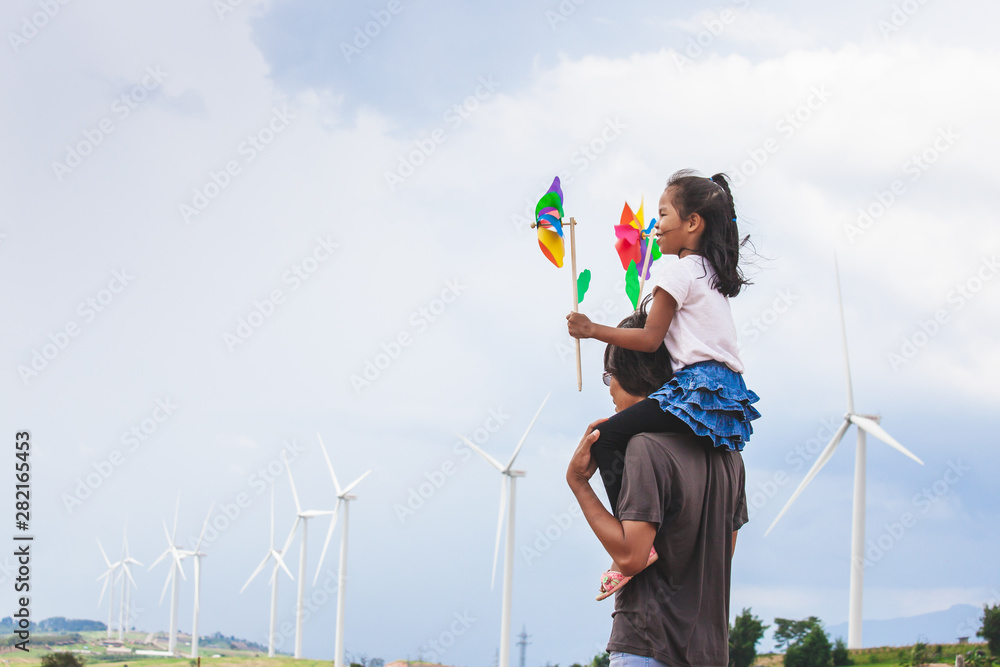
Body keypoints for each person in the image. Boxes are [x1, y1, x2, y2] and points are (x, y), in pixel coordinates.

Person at [566, 170, 760, 594]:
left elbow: (650, 337)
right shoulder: (712, 274)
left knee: (605, 435)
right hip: (727, 394)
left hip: (694, 390)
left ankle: (633, 540)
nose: (653, 227)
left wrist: (591, 328)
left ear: (693, 223)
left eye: (662, 214)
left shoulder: (676, 272)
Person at [566, 307, 747, 667]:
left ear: (631, 374)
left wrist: (578, 483)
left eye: (609, 376)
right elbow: (722, 554)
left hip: (649, 647)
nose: (610, 389)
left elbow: (632, 557)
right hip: (709, 652)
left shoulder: (644, 448)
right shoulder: (730, 457)